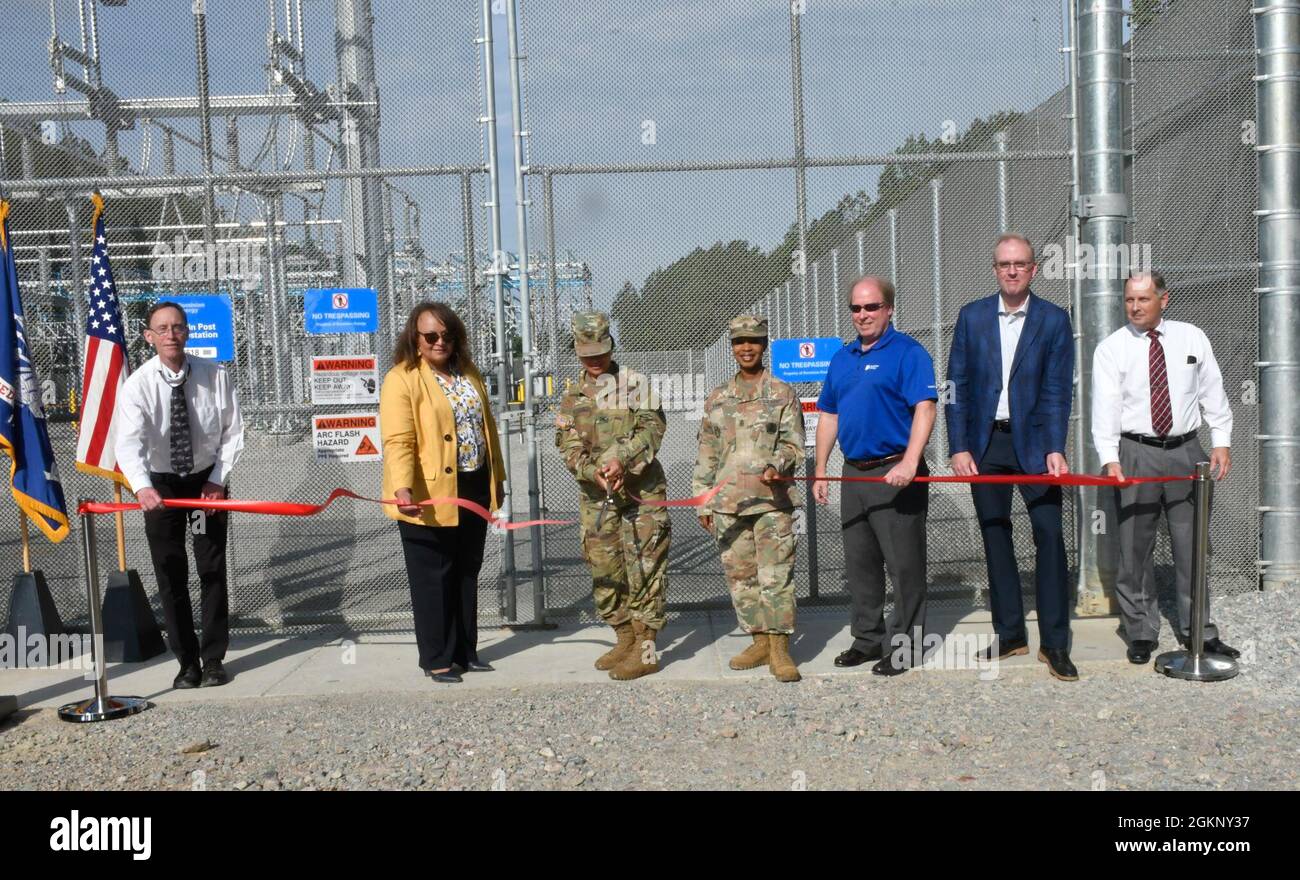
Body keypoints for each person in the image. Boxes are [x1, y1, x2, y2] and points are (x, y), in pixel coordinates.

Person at [946, 233, 1078, 682]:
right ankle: (1010, 634)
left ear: (1034, 269)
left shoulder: (1054, 321)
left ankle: (1055, 644)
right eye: (1004, 264)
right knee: (994, 535)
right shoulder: (972, 317)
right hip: (986, 446)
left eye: (1020, 263)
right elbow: (956, 387)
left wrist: (1055, 446)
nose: (1012, 271)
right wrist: (960, 446)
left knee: (1049, 536)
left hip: (1037, 445)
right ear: (995, 269)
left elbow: (1060, 390)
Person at [1091, 271, 1238, 665]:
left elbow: (1213, 392)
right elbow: (1105, 409)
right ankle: (1140, 630)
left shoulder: (1192, 338)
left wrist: (1220, 441)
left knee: (1193, 547)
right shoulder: (1112, 348)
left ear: (1163, 300)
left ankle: (1199, 631)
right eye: (1129, 300)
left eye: (1143, 299)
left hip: (1186, 452)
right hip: (1135, 452)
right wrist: (1110, 458)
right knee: (1134, 547)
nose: (1135, 307)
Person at [115, 300, 244, 689]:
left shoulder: (214, 375)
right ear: (149, 337)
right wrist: (142, 486)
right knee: (171, 573)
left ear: (188, 332)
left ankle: (213, 658)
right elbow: (128, 443)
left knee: (210, 567)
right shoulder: (138, 385)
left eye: (178, 327)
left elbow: (233, 430)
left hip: (206, 485)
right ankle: (186, 663)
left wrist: (217, 480)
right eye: (163, 329)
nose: (171, 335)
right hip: (163, 489)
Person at [813, 276, 937, 676]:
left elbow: (925, 408)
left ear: (888, 309)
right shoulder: (842, 357)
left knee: (903, 566)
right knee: (861, 564)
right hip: (854, 475)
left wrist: (911, 461)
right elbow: (828, 414)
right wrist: (820, 471)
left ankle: (907, 647)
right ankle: (867, 639)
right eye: (856, 308)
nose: (863, 315)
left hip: (896, 471)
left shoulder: (908, 353)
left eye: (871, 307)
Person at [380, 302, 506, 684]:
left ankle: (466, 651)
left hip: (472, 485)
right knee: (432, 576)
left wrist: (495, 478)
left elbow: (487, 429)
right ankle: (436, 657)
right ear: (415, 339)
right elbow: (398, 440)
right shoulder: (401, 379)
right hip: (427, 493)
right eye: (430, 336)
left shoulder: (468, 373)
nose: (440, 342)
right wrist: (403, 488)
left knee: (467, 570)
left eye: (447, 335)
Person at [555, 311, 671, 680]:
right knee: (604, 571)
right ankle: (624, 637)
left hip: (642, 495)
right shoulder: (572, 395)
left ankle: (647, 649)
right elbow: (568, 445)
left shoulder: (635, 383)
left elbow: (652, 429)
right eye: (587, 353)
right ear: (576, 350)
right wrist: (594, 474)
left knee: (646, 571)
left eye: (600, 351)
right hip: (597, 499)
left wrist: (621, 459)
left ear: (611, 345)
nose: (595, 360)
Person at [693, 314, 804, 682]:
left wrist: (778, 463)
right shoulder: (719, 398)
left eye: (753, 341)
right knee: (741, 577)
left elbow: (794, 445)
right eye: (740, 342)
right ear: (732, 347)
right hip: (727, 502)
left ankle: (779, 649)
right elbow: (707, 451)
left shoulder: (782, 393)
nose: (746, 348)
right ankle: (758, 640)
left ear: (764, 344)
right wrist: (702, 498)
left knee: (776, 575)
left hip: (771, 501)